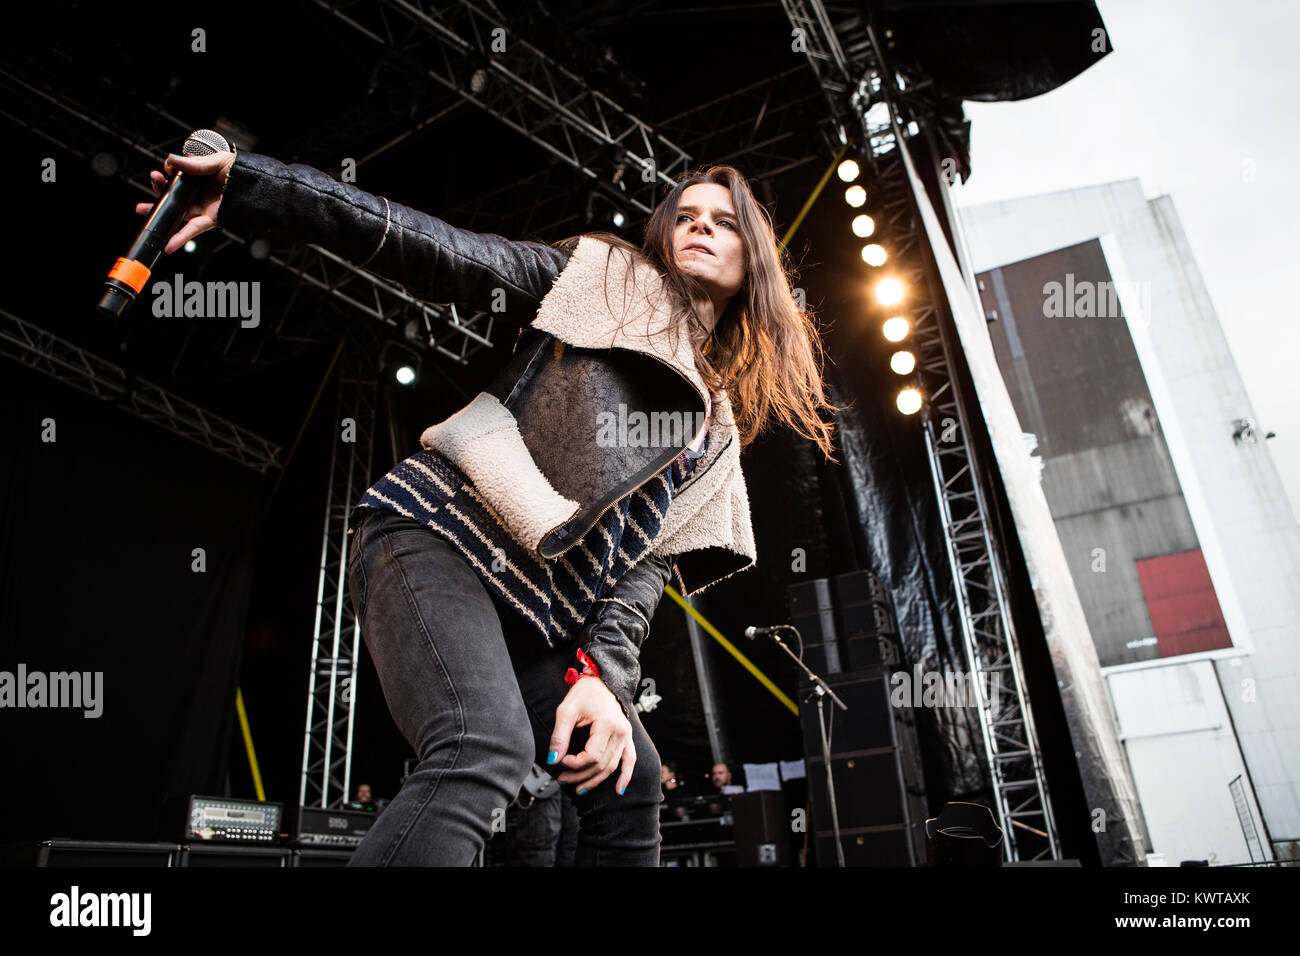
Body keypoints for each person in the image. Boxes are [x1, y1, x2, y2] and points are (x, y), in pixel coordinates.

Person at [136, 145, 840, 866]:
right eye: (684, 216)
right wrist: (257, 188)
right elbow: (449, 253)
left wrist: (602, 679)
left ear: (752, 259)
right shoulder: (607, 281)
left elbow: (641, 575)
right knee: (482, 741)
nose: (698, 227)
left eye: (722, 223)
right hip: (438, 539)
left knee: (629, 781)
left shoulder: (715, 434)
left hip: (536, 615)